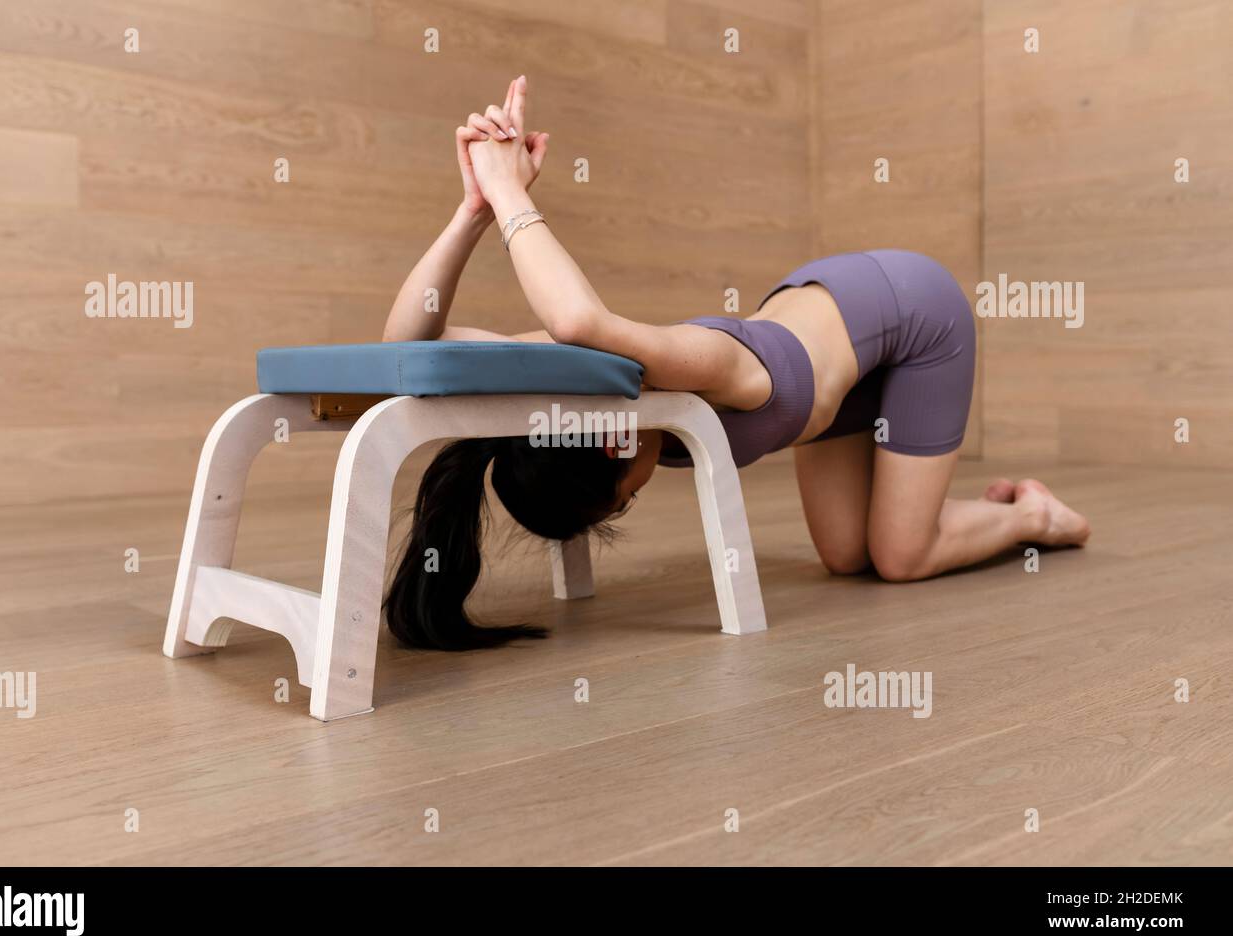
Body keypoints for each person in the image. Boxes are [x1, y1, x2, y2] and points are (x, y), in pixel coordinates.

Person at [381, 76, 1089, 651]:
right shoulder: (586, 385)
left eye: (621, 496)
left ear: (612, 439)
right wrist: (471, 211)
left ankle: (1035, 519)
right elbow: (404, 349)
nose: (634, 495)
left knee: (900, 559)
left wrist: (508, 193)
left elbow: (576, 317)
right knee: (849, 557)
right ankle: (940, 505)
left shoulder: (703, 366)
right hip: (839, 361)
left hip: (913, 314)